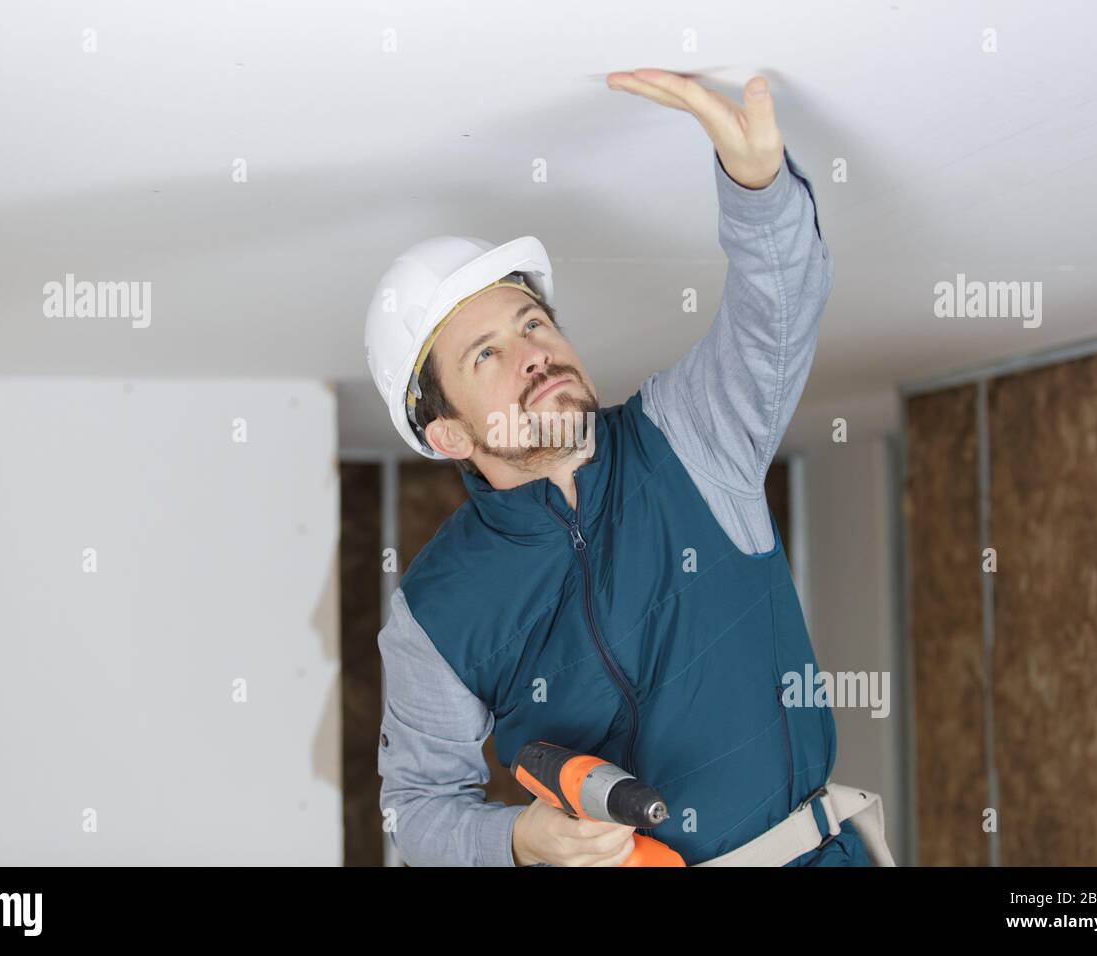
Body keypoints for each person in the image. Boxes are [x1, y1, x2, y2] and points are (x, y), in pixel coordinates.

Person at [365, 69, 881, 866]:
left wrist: (758, 188)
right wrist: (521, 838)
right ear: (447, 435)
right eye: (487, 354)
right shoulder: (436, 613)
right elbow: (418, 811)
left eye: (532, 321)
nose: (533, 353)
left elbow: (779, 307)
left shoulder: (688, 435)